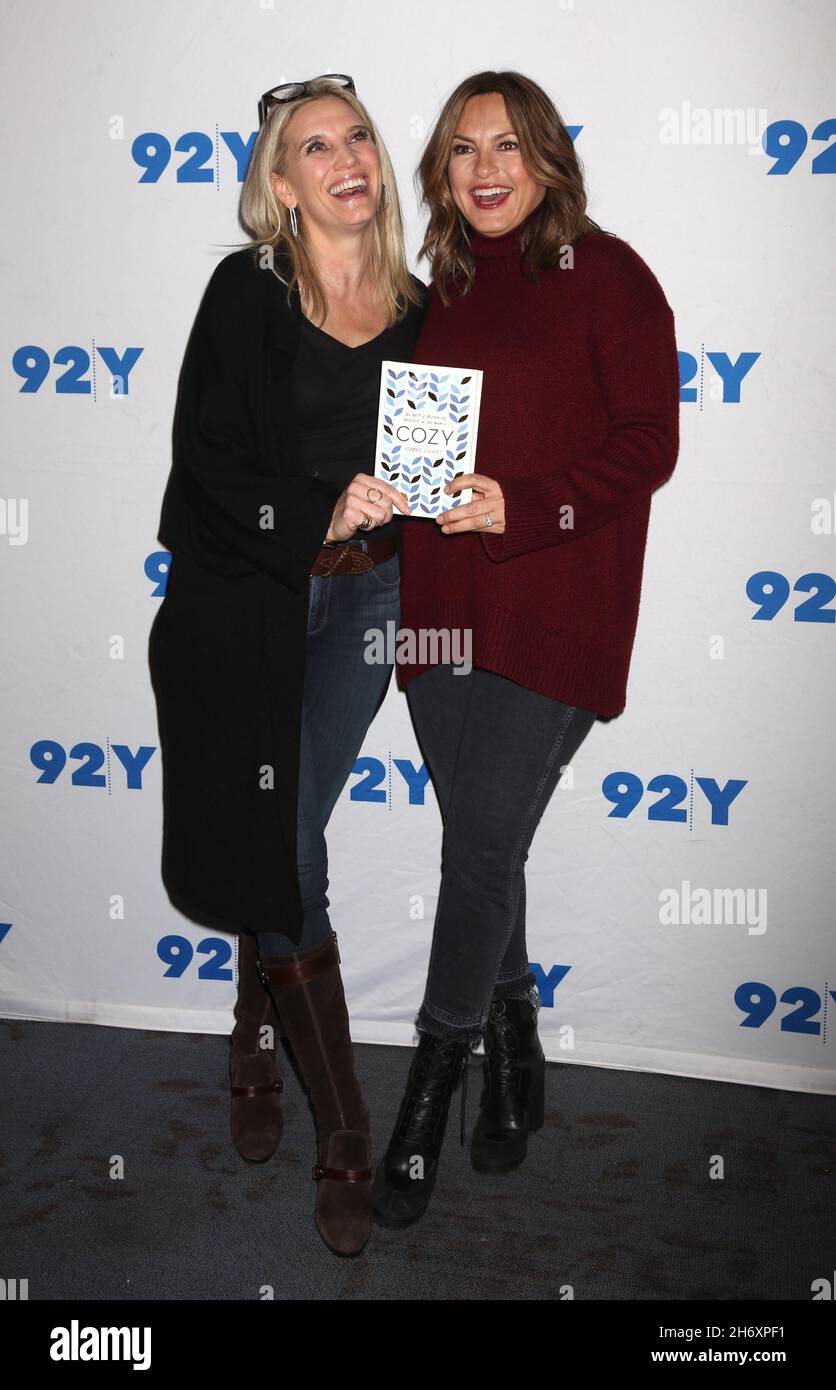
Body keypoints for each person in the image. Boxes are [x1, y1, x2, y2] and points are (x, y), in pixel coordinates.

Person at [372, 70, 681, 1227]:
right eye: (461, 150)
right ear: (441, 174)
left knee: (477, 848)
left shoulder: (605, 275)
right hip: (440, 608)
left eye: (507, 145)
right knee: (481, 843)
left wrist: (531, 503)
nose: (486, 169)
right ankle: (517, 1045)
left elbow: (646, 443)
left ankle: (428, 1088)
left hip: (554, 614)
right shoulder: (437, 289)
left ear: (547, 156)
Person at [148, 74, 427, 1255]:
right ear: (280, 183)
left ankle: (257, 1027)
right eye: (314, 146)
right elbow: (204, 461)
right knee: (281, 846)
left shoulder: (424, 306)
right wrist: (314, 507)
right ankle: (346, 1129)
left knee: (286, 833)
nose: (345, 158)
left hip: (368, 601)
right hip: (242, 606)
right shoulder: (242, 291)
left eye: (356, 137)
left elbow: (437, 459)